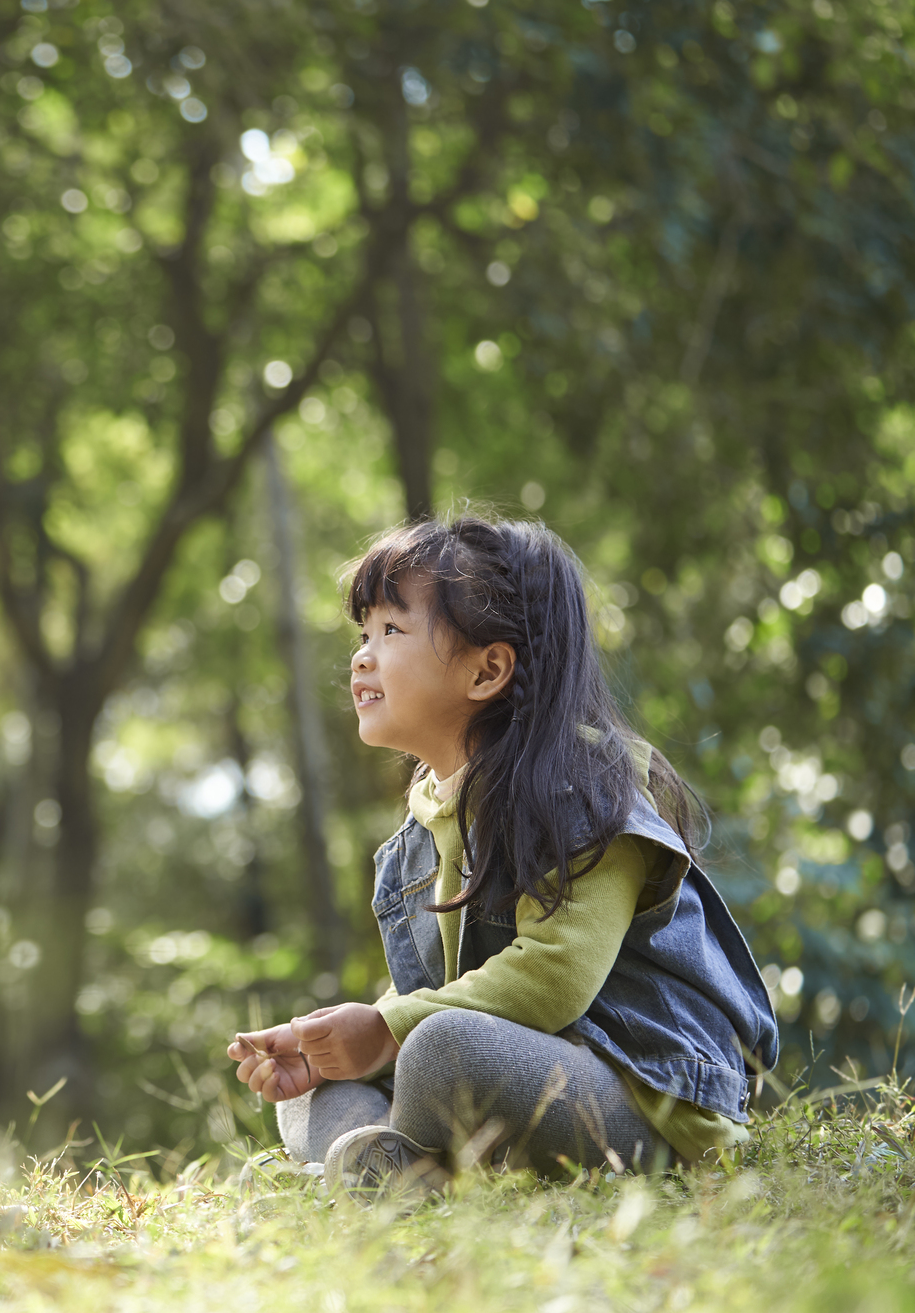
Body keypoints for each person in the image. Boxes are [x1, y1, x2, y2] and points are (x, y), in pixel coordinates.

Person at [224, 513, 778, 1198]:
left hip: (641, 1093)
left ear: (487, 670)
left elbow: (552, 975)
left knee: (439, 1049)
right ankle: (388, 1162)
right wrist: (335, 1043)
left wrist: (388, 1031)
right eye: (363, 634)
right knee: (313, 1085)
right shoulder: (426, 823)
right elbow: (447, 983)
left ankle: (388, 1159)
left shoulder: (584, 788)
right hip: (521, 1073)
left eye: (392, 630)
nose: (362, 656)